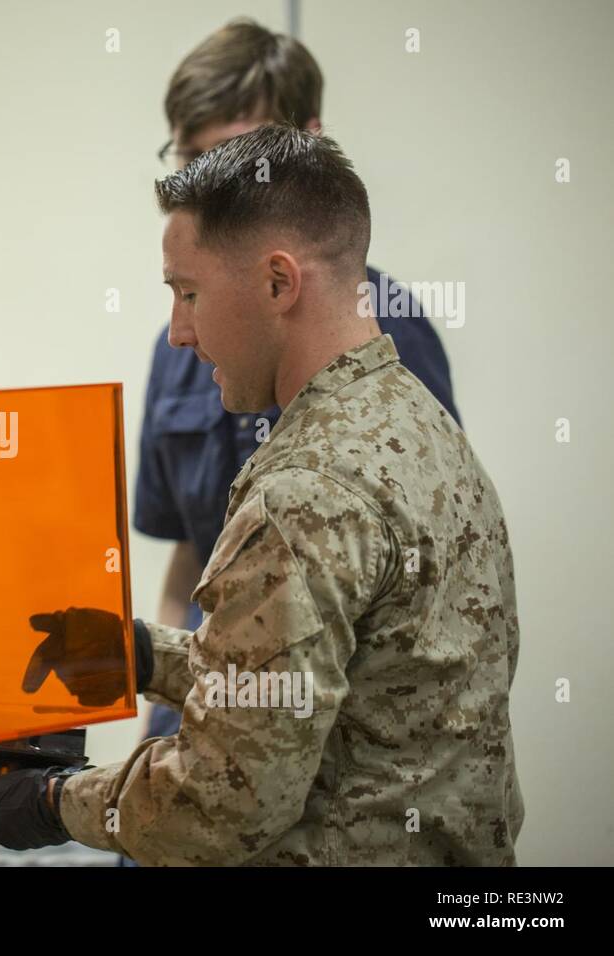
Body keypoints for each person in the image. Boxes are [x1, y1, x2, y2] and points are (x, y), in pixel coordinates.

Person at [0, 125, 524, 865]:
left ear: (277, 283)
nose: (177, 332)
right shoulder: (420, 428)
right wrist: (142, 656)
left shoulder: (301, 494)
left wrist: (51, 802)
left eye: (189, 293)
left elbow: (221, 803)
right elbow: (330, 691)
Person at [140, 20, 460, 743]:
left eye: (234, 161)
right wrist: (160, 736)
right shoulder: (177, 345)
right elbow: (191, 562)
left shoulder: (388, 337)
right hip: (199, 730)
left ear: (304, 146)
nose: (209, 192)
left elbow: (422, 588)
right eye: (193, 162)